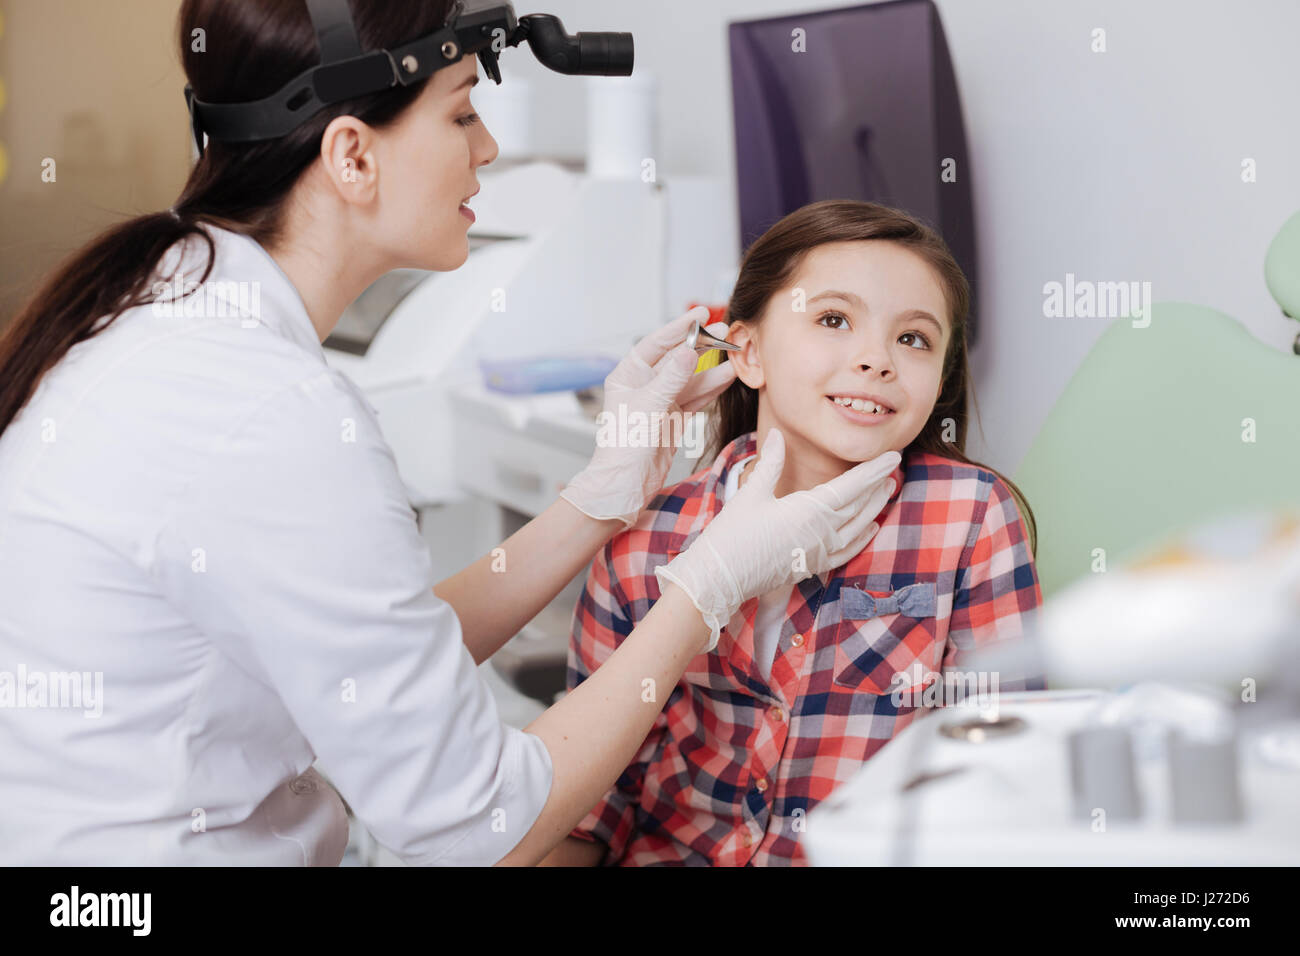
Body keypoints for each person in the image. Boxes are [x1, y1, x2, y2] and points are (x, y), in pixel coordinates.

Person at [0, 2, 898, 865]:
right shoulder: (264, 411)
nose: (489, 148)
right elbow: (480, 824)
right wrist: (705, 591)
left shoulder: (168, 307)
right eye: (463, 112)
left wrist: (597, 500)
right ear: (352, 155)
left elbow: (382, 661)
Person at [544, 200, 1044, 866]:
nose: (876, 359)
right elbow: (587, 811)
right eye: (833, 319)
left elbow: (1007, 767)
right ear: (747, 351)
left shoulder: (971, 519)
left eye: (914, 338)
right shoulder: (647, 535)